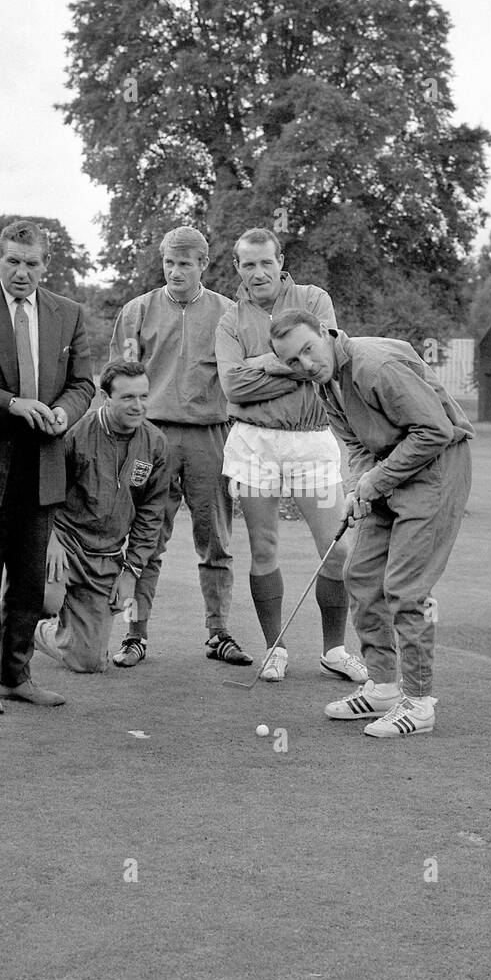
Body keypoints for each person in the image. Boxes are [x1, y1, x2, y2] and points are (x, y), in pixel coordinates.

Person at [268, 309, 473, 738]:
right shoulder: (326, 384)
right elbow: (357, 443)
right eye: (293, 362)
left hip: (436, 470)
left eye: (307, 350)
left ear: (325, 334)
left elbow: (433, 431)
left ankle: (418, 703)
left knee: (405, 588)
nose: (305, 365)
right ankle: (383, 686)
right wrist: (358, 488)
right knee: (360, 574)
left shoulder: (374, 365)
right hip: (391, 470)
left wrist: (375, 480)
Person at [0, 219, 94, 714]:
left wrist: (64, 412)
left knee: (30, 582)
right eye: (12, 261)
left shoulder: (69, 313)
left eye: (31, 263)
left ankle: (17, 676)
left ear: (45, 264)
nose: (21, 272)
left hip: (43, 464)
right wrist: (12, 404)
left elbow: (83, 385)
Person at [215, 228, 366, 683]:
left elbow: (325, 361)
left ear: (281, 261)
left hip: (312, 438)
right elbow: (232, 387)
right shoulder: (229, 319)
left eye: (266, 262)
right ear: (237, 268)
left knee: (337, 551)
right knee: (263, 548)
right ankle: (274, 648)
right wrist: (293, 369)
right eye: (248, 265)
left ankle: (335, 650)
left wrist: (260, 364)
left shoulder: (314, 299)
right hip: (253, 442)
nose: (258, 272)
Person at [108, 226, 250, 668]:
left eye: (185, 263)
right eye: (169, 262)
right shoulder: (137, 311)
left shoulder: (229, 313)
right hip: (153, 438)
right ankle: (135, 635)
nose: (175, 271)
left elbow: (243, 377)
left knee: (216, 540)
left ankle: (218, 632)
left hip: (211, 436)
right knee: (146, 539)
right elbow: (117, 379)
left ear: (203, 265)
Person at [33, 361, 170, 672]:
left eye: (144, 396)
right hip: (64, 543)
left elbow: (151, 516)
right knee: (47, 599)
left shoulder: (156, 444)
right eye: (127, 398)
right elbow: (44, 492)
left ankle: (26, 632)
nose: (138, 406)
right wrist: (49, 539)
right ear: (105, 396)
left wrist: (130, 571)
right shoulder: (75, 433)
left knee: (89, 662)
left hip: (105, 556)